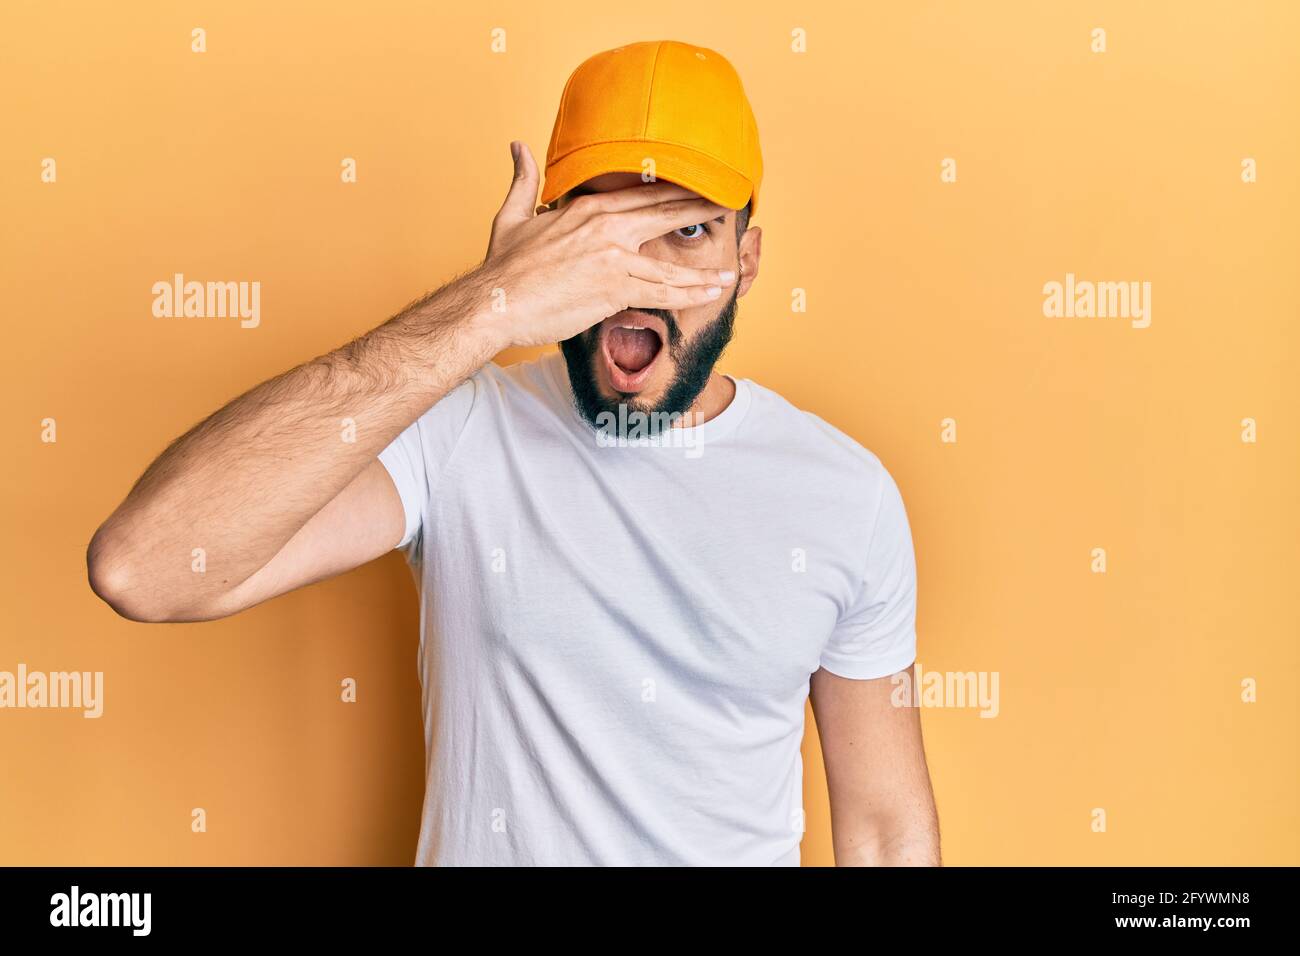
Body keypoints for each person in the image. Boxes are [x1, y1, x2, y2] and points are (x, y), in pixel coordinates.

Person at [88, 40, 940, 866]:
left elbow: (883, 829)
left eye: (685, 231)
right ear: (543, 242)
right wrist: (486, 307)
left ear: (746, 261)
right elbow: (146, 569)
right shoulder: (456, 431)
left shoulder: (844, 494)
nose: (636, 275)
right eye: (597, 228)